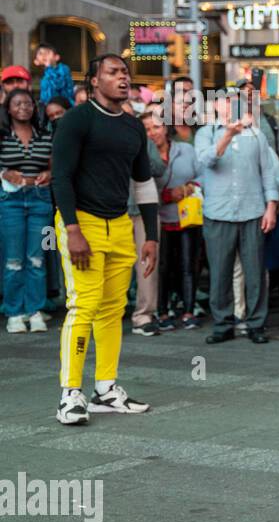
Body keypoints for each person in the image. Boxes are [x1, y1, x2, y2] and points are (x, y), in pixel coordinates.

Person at [50, 54, 158, 425]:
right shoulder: (77, 119)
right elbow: (61, 177)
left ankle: (105, 389)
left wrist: (152, 236)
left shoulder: (133, 126)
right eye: (113, 72)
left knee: (113, 310)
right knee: (84, 305)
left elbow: (143, 183)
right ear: (94, 81)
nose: (122, 77)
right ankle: (69, 394)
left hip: (120, 226)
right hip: (83, 223)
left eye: (125, 72)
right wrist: (73, 228)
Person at [195, 88, 279, 345]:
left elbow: (268, 173)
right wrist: (227, 135)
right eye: (225, 101)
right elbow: (205, 161)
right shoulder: (206, 133)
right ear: (217, 106)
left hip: (253, 211)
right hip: (218, 214)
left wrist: (271, 207)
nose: (230, 105)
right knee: (220, 272)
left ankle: (256, 324)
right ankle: (223, 323)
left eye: (235, 101)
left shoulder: (256, 135)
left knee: (255, 272)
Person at [1, 88, 54, 332]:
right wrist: (3, 172)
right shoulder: (2, 135)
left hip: (41, 199)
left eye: (28, 103)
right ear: (8, 108)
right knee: (13, 260)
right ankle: (14, 312)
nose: (23, 107)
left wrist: (49, 173)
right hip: (9, 199)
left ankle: (35, 311)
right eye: (17, 103)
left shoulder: (44, 134)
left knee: (37, 258)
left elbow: (55, 165)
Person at [145, 107, 201, 330]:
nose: (152, 133)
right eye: (147, 129)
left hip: (188, 216)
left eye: (156, 127)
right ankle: (162, 310)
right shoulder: (142, 156)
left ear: (166, 128)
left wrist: (189, 187)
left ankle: (189, 311)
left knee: (189, 265)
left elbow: (203, 175)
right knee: (163, 266)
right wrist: (166, 196)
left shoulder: (186, 150)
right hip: (158, 218)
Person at [128, 106, 167, 336]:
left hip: (144, 210)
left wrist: (137, 153)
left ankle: (144, 315)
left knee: (148, 264)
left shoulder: (145, 143)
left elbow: (160, 168)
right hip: (115, 209)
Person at [34, 43, 75, 112]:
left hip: (65, 107)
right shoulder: (44, 77)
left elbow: (58, 84)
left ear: (57, 57)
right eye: (40, 53)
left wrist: (49, 67)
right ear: (36, 61)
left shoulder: (63, 69)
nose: (44, 55)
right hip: (49, 109)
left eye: (47, 53)